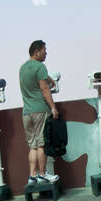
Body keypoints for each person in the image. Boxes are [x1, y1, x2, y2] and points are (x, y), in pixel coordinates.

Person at [19, 40, 60, 186]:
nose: (46, 53)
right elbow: (44, 88)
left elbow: (40, 78)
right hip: (40, 110)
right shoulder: (40, 66)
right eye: (44, 50)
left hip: (26, 112)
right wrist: (53, 107)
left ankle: (32, 176)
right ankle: (42, 175)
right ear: (37, 51)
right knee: (41, 144)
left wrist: (50, 79)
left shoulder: (23, 68)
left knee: (33, 146)